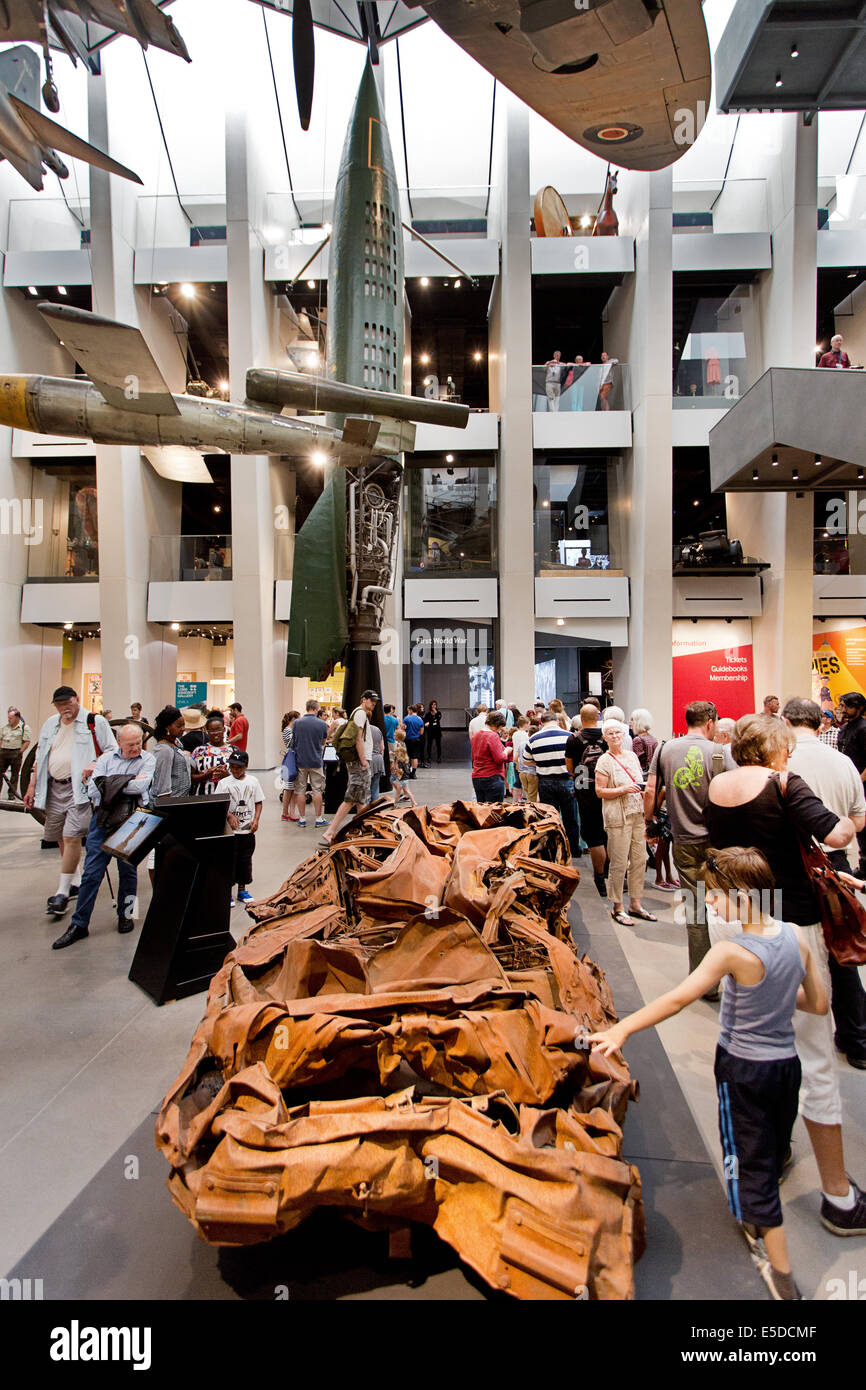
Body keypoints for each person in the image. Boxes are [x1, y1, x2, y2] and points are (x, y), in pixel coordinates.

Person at [589, 845, 829, 1302]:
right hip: (785, 1068)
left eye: (714, 896)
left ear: (740, 893)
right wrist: (774, 996)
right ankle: (762, 1203)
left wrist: (621, 1029)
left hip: (743, 1070)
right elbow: (818, 1004)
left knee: (748, 1161)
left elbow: (678, 998)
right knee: (773, 1143)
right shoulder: (796, 937)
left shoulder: (732, 952)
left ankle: (780, 1273)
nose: (710, 904)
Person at [704, 713, 865, 1236]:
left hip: (734, 919)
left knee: (751, 1043)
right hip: (790, 923)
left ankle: (765, 1165)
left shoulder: (720, 785)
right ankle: (839, 1198)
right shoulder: (783, 783)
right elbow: (838, 832)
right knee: (815, 1054)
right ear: (775, 751)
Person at [783, 697, 866, 1072]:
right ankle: (856, 1039)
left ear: (785, 722)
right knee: (841, 948)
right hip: (837, 866)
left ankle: (792, 1041)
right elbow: (858, 821)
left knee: (789, 947)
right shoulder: (844, 762)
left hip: (793, 867)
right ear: (820, 724)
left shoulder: (779, 763)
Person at [644, 699, 734, 988]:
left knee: (696, 912)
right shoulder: (720, 753)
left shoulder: (666, 748)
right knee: (726, 910)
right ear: (710, 722)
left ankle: (704, 982)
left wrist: (650, 822)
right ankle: (732, 973)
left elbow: (650, 790)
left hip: (683, 840)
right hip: (717, 843)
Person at [51, 724, 155, 949]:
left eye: (138, 743)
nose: (136, 748)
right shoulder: (106, 759)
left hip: (132, 821)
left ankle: (127, 915)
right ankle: (79, 924)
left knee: (128, 872)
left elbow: (140, 786)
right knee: (91, 874)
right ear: (119, 743)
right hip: (102, 820)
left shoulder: (148, 759)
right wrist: (125, 781)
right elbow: (92, 790)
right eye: (130, 745)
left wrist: (110, 783)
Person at [24, 686, 117, 918]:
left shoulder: (93, 722)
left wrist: (96, 764)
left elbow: (112, 751)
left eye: (68, 702)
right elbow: (40, 756)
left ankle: (62, 892)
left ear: (77, 700)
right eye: (59, 704)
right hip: (54, 786)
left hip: (80, 790)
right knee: (59, 836)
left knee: (71, 835)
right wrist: (32, 784)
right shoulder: (50, 724)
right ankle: (74, 880)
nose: (64, 708)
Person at [595, 719, 655, 926]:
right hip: (618, 817)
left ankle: (636, 903)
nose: (615, 736)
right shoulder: (604, 761)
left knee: (640, 859)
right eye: (610, 733)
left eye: (617, 732)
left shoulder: (631, 756)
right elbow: (600, 791)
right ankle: (617, 905)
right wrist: (622, 790)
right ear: (605, 737)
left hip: (637, 814)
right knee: (619, 862)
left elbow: (639, 780)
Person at [321, 690, 379, 844]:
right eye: (371, 700)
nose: (373, 703)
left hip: (358, 761)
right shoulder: (360, 713)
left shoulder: (357, 713)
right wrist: (363, 760)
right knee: (352, 798)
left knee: (360, 798)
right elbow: (358, 739)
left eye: (375, 701)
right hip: (360, 761)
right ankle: (330, 831)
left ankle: (362, 829)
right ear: (363, 699)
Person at [526, 711, 581, 857]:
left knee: (549, 818)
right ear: (556, 721)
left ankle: (551, 848)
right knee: (571, 818)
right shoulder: (568, 736)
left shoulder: (533, 739)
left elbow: (526, 760)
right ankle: (574, 849)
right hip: (566, 780)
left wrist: (541, 762)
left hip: (545, 781)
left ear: (541, 723)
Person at [566, 703, 607, 896]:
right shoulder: (607, 737)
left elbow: (569, 767)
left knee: (593, 836)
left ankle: (599, 877)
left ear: (581, 719)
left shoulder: (573, 740)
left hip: (584, 790)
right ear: (598, 716)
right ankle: (613, 874)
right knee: (609, 833)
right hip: (607, 789)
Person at [225, 750, 263, 906]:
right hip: (231, 831)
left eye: (239, 767)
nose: (235, 770)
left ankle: (242, 889)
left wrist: (256, 820)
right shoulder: (224, 783)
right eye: (232, 767)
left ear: (246, 766)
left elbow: (258, 802)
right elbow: (220, 804)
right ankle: (228, 890)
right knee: (229, 860)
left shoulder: (253, 782)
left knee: (245, 859)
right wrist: (229, 816)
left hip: (247, 831)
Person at [836, 690, 866, 874]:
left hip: (861, 785)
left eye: (847, 705)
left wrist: (858, 782)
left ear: (860, 708)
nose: (843, 709)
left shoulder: (864, 728)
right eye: (842, 705)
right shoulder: (845, 728)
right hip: (848, 784)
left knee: (864, 827)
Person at [291, 700, 329, 827]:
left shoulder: (297, 723)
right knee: (317, 790)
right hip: (316, 761)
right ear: (317, 709)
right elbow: (323, 742)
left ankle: (302, 819)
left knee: (300, 790)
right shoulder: (322, 724)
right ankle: (318, 819)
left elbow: (294, 741)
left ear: (307, 708)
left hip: (300, 761)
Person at [470, 710, 511, 802]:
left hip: (477, 777)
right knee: (494, 811)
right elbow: (500, 758)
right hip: (492, 777)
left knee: (482, 811)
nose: (499, 731)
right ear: (496, 724)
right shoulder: (493, 736)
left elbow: (473, 757)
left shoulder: (476, 735)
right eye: (500, 728)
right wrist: (506, 751)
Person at [190, 712, 232, 796]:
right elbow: (190, 778)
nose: (215, 733)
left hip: (227, 797)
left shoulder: (233, 750)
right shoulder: (199, 751)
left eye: (218, 729)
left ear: (224, 730)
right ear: (207, 731)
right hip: (202, 797)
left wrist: (227, 776)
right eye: (212, 730)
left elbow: (240, 777)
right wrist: (205, 776)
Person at [0, 705, 32, 798]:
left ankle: (11, 794)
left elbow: (27, 742)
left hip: (15, 752)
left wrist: (20, 752)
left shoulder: (24, 728)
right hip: (3, 752)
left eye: (11, 718)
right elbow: (1, 739)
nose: (9, 720)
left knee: (14, 775)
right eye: (8, 718)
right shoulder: (5, 728)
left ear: (17, 717)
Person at [280, 711, 300, 821]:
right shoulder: (288, 730)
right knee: (288, 788)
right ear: (293, 719)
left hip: (293, 759)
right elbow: (291, 744)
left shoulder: (289, 729)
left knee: (292, 788)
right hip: (291, 760)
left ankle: (291, 813)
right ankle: (285, 812)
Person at [390, 728, 417, 807]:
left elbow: (399, 756)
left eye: (395, 735)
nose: (394, 736)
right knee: (405, 789)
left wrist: (395, 766)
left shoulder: (399, 745)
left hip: (400, 769)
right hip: (402, 770)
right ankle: (412, 802)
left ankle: (394, 803)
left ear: (398, 737)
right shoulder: (403, 744)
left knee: (401, 789)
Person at [511, 715, 532, 804]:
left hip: (515, 760)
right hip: (523, 761)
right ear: (526, 724)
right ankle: (528, 801)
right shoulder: (526, 735)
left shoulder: (515, 734)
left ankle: (515, 801)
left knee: (517, 783)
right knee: (526, 784)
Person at [630, 708, 658, 774]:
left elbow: (636, 762)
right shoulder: (653, 738)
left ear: (639, 722)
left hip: (642, 774)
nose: (630, 722)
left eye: (632, 719)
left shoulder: (638, 740)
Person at [402, 704, 424, 778]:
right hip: (417, 739)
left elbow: (402, 728)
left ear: (411, 710)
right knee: (415, 757)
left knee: (407, 755)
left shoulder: (407, 718)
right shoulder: (420, 719)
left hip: (408, 739)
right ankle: (413, 773)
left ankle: (407, 771)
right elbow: (421, 732)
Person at [369, 723, 386, 802]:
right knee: (375, 787)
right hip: (378, 759)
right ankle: (375, 810)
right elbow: (382, 748)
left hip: (368, 760)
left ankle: (366, 811)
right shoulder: (377, 729)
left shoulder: (361, 730)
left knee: (366, 789)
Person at [424, 699, 442, 765]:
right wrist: (431, 722)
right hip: (430, 732)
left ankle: (439, 757)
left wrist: (435, 713)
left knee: (438, 745)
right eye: (432, 704)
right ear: (430, 706)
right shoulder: (428, 714)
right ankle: (429, 757)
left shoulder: (439, 713)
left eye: (435, 704)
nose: (434, 706)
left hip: (437, 731)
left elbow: (438, 719)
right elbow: (426, 722)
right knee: (429, 745)